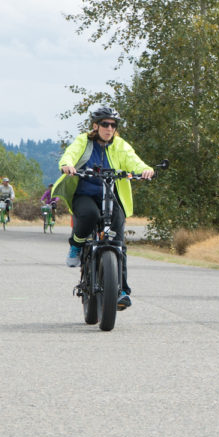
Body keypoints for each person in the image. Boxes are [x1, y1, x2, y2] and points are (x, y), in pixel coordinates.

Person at [53, 105, 154, 311]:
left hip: (110, 195)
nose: (109, 128)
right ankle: (76, 244)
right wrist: (67, 165)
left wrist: (144, 169)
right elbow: (70, 154)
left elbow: (133, 160)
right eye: (105, 124)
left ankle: (122, 291)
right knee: (89, 215)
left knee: (118, 240)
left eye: (113, 125)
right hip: (86, 194)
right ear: (96, 126)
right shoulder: (84, 141)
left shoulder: (120, 145)